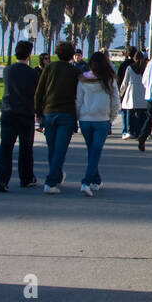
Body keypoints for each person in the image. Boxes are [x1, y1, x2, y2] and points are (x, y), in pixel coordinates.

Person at [35, 40, 82, 194]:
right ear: (71, 55)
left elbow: (39, 92)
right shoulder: (74, 71)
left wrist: (38, 113)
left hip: (49, 112)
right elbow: (79, 94)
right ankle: (51, 182)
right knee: (60, 150)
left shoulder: (49, 68)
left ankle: (56, 175)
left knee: (52, 148)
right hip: (67, 114)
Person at [0, 40, 40, 192]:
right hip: (26, 113)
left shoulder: (8, 70)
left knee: (6, 147)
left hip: (8, 111)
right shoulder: (32, 73)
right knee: (26, 147)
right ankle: (26, 178)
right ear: (29, 54)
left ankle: (2, 179)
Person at [77, 50, 119, 195]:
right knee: (95, 152)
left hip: (85, 119)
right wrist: (111, 118)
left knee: (92, 151)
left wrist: (78, 116)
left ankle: (96, 180)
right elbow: (115, 101)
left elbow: (78, 100)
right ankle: (86, 182)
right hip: (102, 120)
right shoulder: (109, 79)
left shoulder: (83, 79)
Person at [120, 49, 148, 140]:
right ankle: (140, 132)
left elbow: (125, 82)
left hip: (131, 92)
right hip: (143, 93)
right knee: (142, 115)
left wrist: (120, 93)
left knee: (130, 113)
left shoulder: (130, 68)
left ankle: (130, 131)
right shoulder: (146, 68)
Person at [116, 47, 134, 137]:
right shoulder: (136, 65)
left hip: (124, 90)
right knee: (132, 111)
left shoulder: (123, 65)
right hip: (133, 91)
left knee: (124, 111)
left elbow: (119, 78)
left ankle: (124, 130)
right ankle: (132, 130)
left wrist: (120, 91)